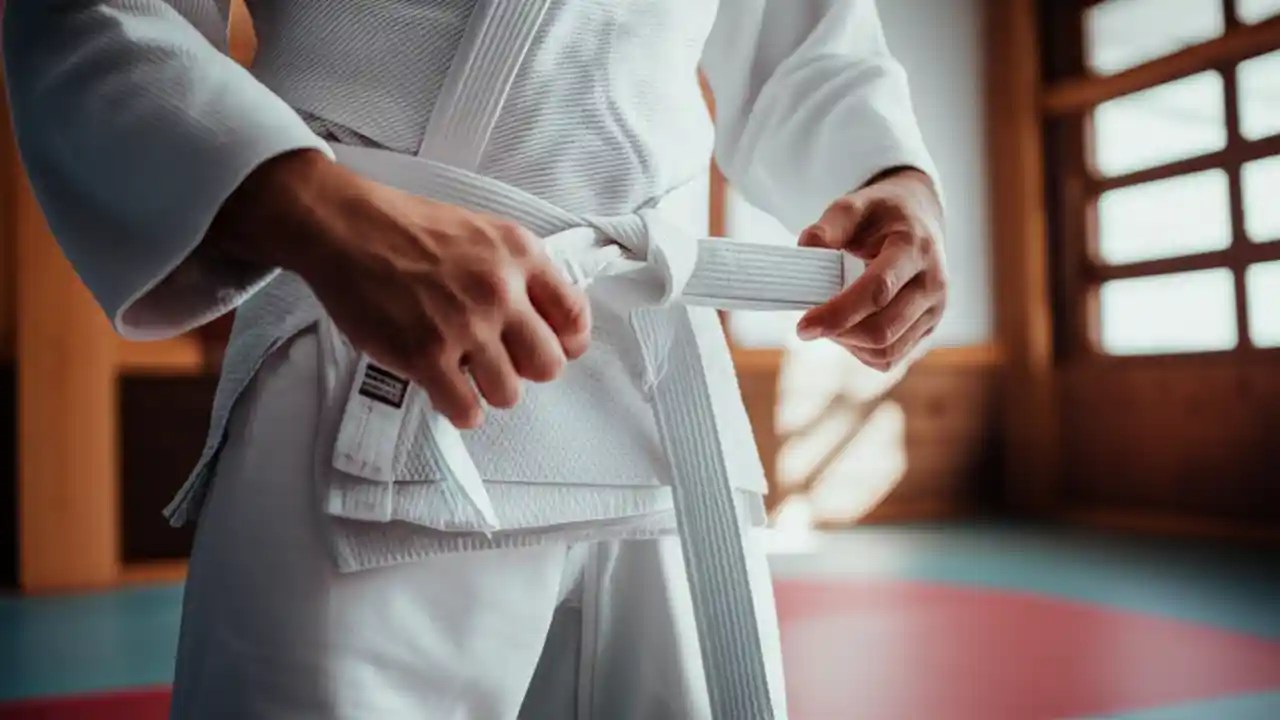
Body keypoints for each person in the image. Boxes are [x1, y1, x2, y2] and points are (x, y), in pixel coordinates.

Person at [4, 1, 947, 718]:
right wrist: (320, 214)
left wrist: (886, 177)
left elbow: (806, 37)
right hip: (367, 359)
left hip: (663, 400)